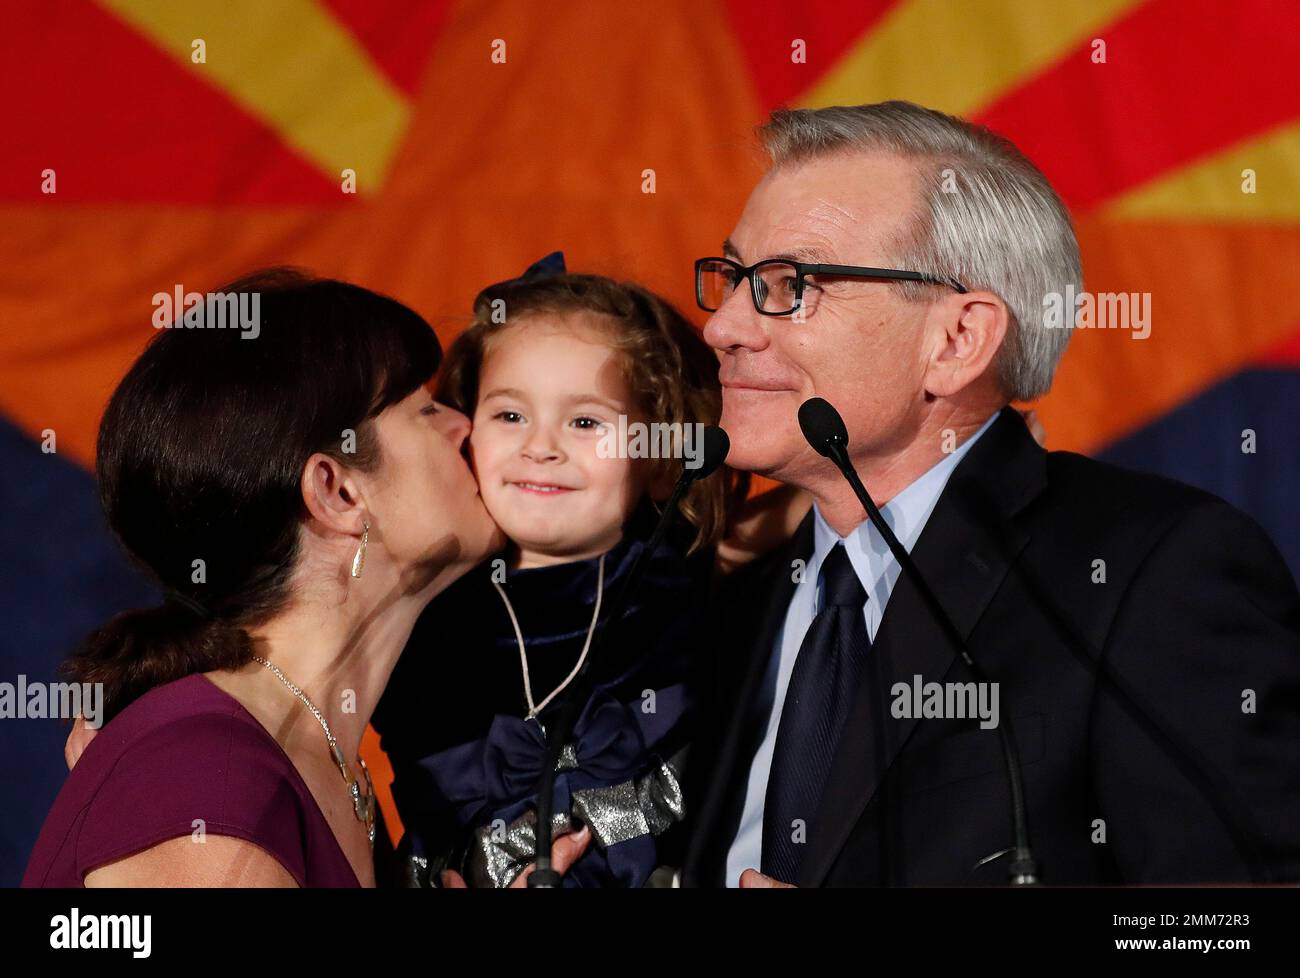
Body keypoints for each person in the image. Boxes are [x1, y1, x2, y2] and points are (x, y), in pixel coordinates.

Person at [681, 101, 1300, 887]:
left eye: (789, 284)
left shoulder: (1148, 574)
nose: (725, 327)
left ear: (958, 340)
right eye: (733, 277)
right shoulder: (740, 597)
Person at [24, 268, 590, 887]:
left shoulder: (299, 761)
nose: (464, 425)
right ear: (337, 490)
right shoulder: (205, 772)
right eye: (425, 408)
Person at [370, 256, 749, 887]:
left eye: (585, 422)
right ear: (463, 434)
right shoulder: (420, 611)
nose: (541, 447)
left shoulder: (689, 588)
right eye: (510, 415)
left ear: (657, 459)